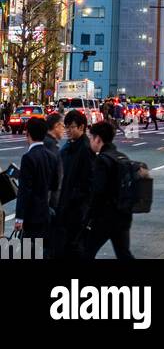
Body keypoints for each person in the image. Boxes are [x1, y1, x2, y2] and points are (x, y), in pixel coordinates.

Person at [81, 121, 135, 260]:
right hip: (123, 215)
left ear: (98, 139)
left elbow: (98, 192)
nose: (90, 142)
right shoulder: (122, 157)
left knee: (86, 252)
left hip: (104, 218)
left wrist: (88, 218)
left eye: (91, 138)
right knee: (124, 253)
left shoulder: (102, 160)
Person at [54, 110, 95, 260]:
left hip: (76, 210)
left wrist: (73, 200)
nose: (68, 131)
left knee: (75, 247)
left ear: (81, 127)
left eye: (72, 127)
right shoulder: (68, 147)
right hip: (65, 206)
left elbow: (88, 183)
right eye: (66, 127)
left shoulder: (85, 149)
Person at [13, 116, 60, 241]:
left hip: (31, 214)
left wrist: (19, 218)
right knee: (41, 248)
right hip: (45, 212)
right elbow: (55, 185)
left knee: (28, 250)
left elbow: (24, 190)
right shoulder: (52, 156)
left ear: (27, 133)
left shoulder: (28, 158)